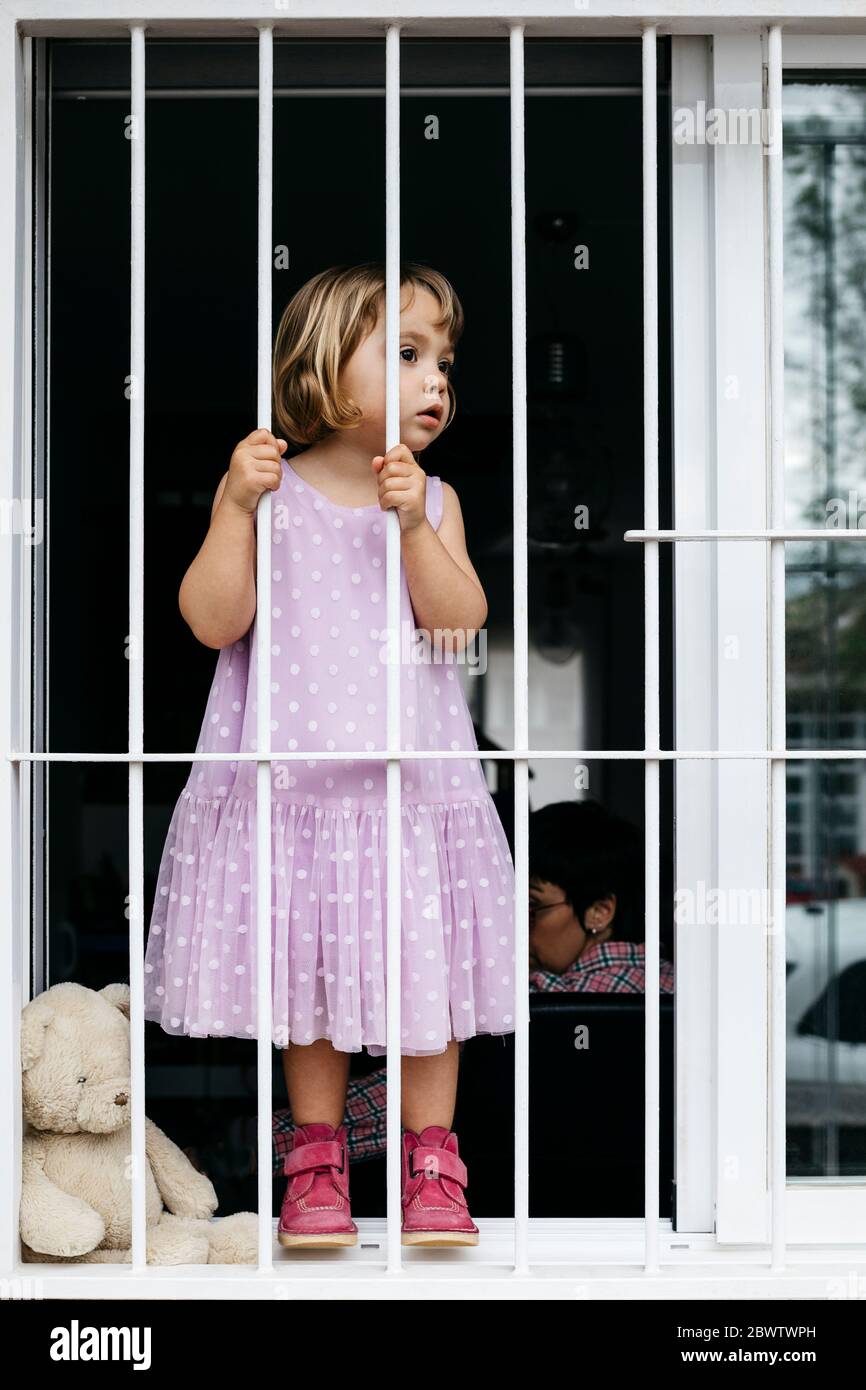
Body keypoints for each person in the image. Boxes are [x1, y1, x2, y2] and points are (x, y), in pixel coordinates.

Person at [143, 262, 516, 1249]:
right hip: (297, 792)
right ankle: (316, 1161)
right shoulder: (270, 493)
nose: (436, 379)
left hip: (411, 793)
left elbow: (458, 626)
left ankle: (432, 1161)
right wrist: (230, 505)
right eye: (405, 353)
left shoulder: (433, 500)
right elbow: (210, 620)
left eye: (444, 358)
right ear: (320, 367)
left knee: (422, 979)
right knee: (310, 985)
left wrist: (410, 528)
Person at [272, 798, 673, 1174]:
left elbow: (398, 1107)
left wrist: (256, 1142)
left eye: (532, 907)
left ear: (600, 911)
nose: (513, 924)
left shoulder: (534, 1002)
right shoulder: (681, 991)